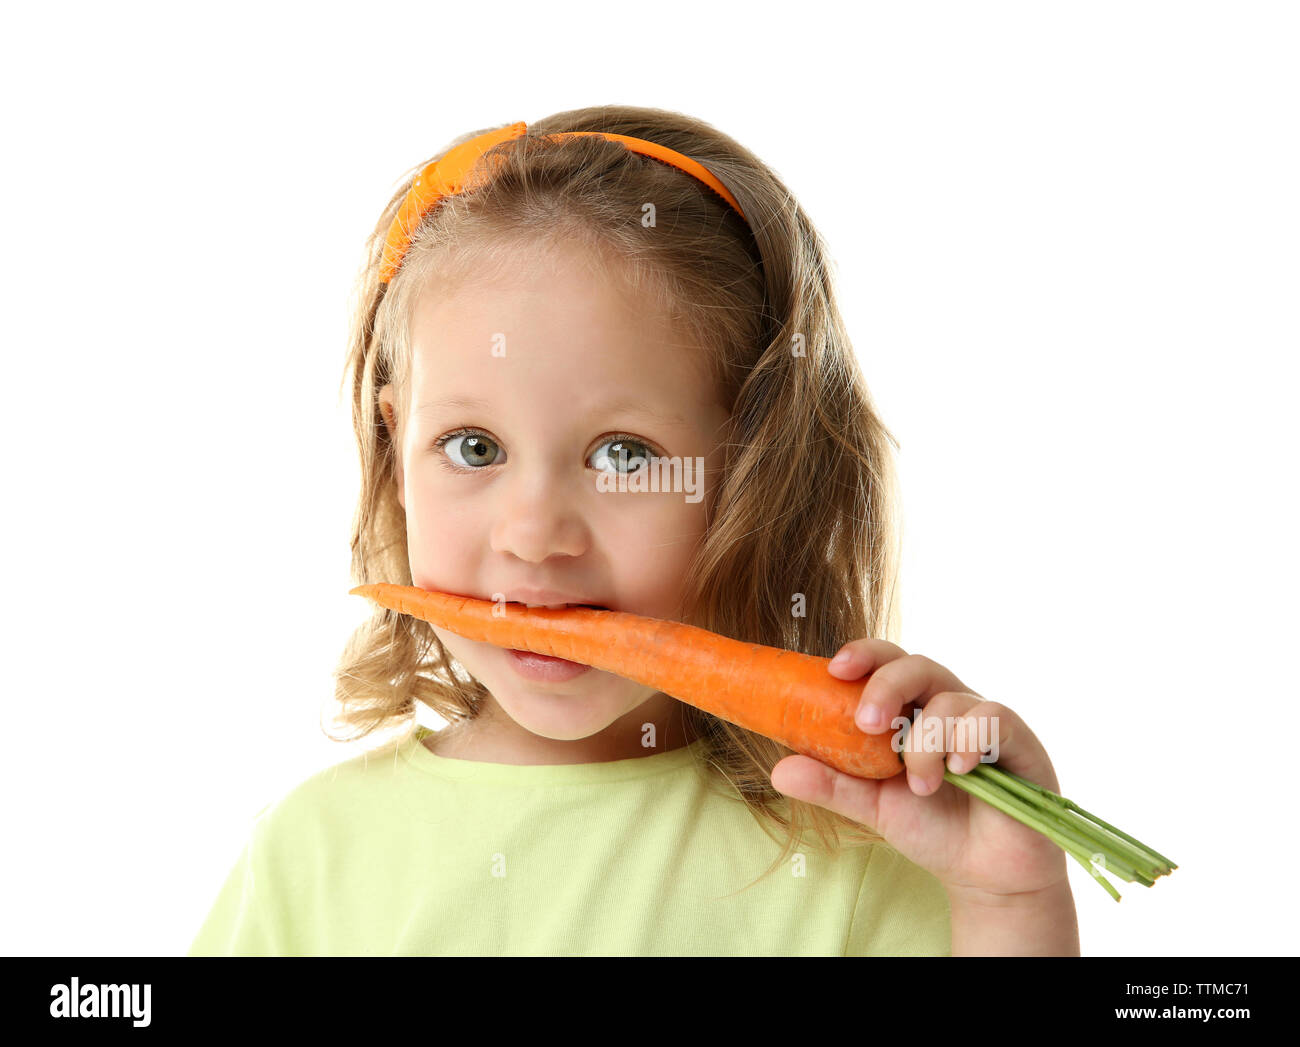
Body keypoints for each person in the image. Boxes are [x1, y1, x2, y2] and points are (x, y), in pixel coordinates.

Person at [187, 106, 1079, 957]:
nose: (534, 535)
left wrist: (1008, 902)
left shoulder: (854, 850)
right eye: (472, 446)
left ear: (750, 475)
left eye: (622, 455)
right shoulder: (311, 855)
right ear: (393, 446)